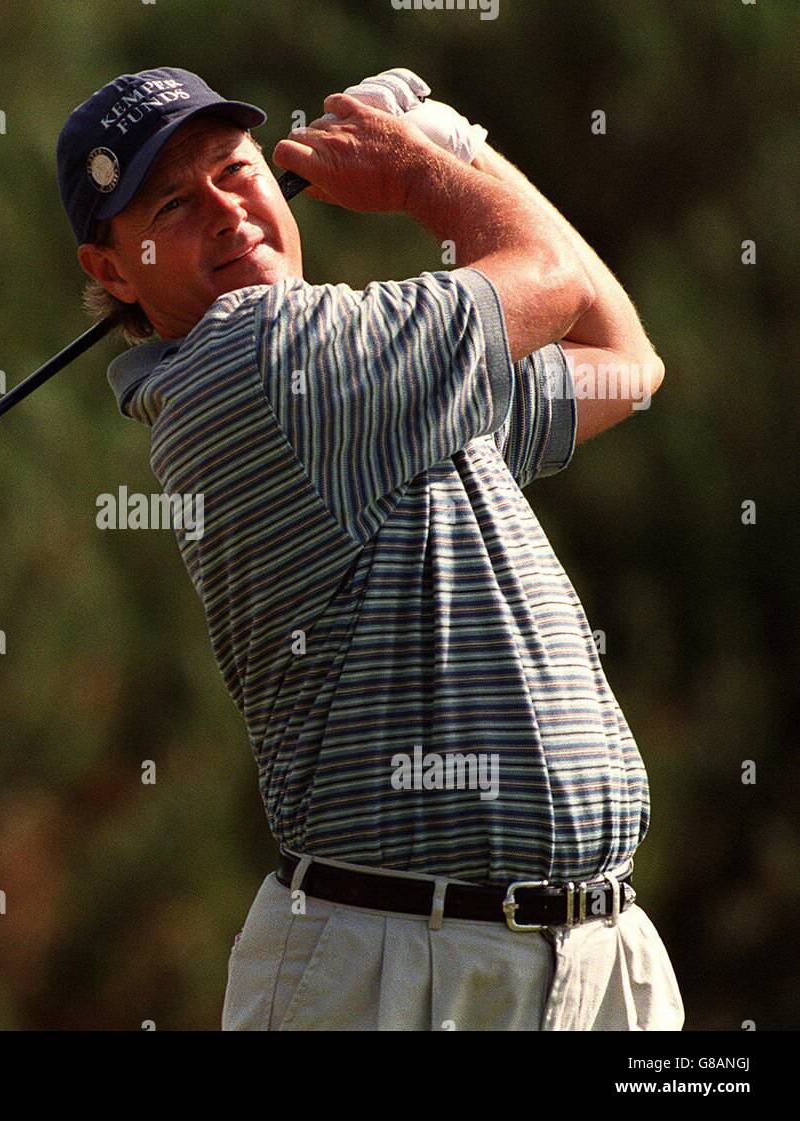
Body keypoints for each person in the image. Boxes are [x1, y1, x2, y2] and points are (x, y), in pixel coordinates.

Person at [55, 66, 682, 1030]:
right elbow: (551, 278)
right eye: (174, 202)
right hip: (400, 968)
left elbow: (627, 363)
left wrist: (459, 154)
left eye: (236, 168)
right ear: (112, 271)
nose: (226, 210)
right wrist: (430, 168)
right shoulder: (264, 362)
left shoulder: (375, 390)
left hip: (587, 963)